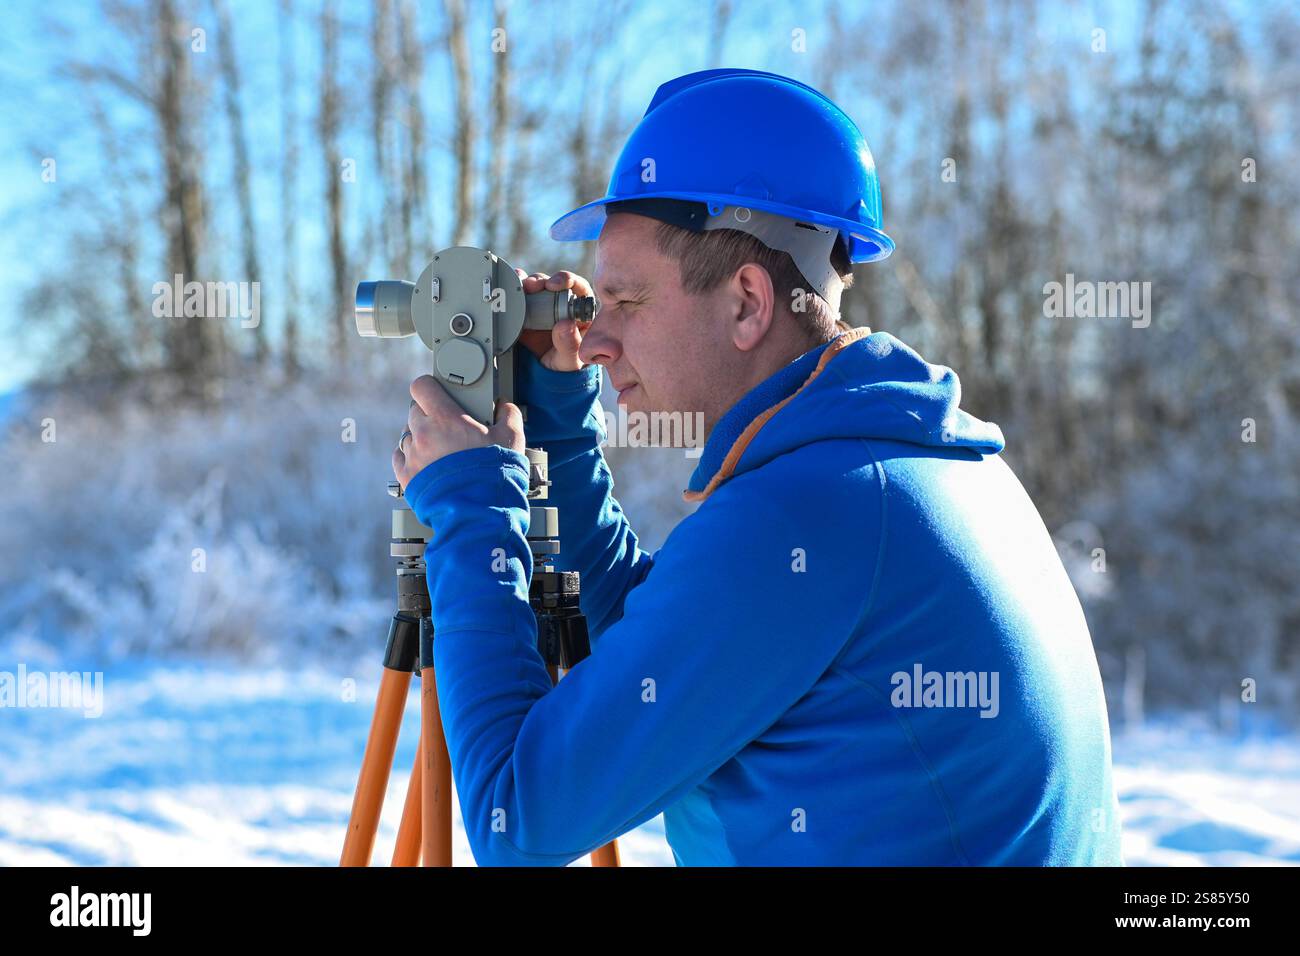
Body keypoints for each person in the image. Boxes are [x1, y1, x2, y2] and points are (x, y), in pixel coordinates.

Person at [392, 69, 1123, 865]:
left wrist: (471, 518)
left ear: (746, 302)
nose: (597, 341)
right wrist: (562, 439)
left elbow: (515, 823)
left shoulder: (803, 517)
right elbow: (658, 652)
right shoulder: (910, 465)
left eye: (626, 302)